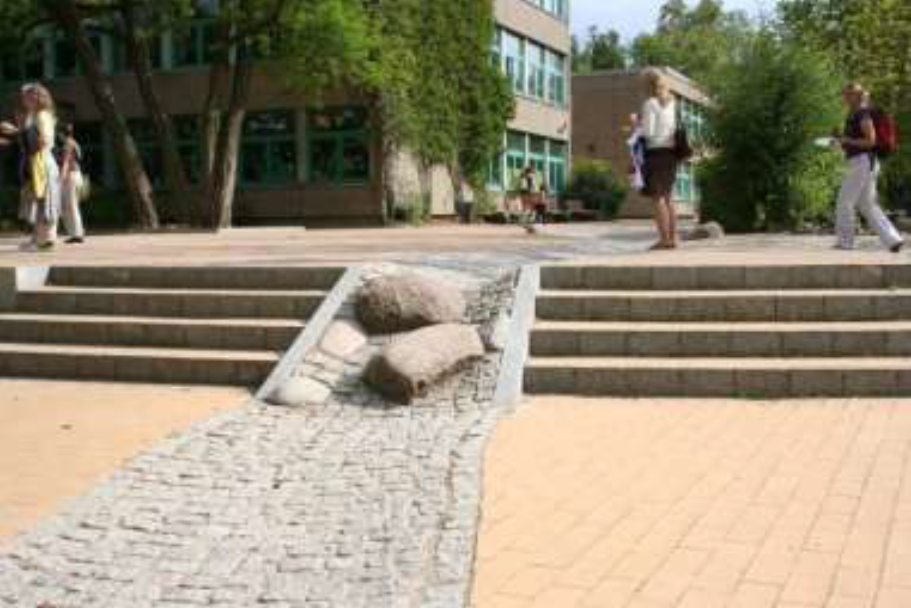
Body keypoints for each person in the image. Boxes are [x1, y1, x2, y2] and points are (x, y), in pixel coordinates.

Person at [833, 83, 903, 253]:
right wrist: (841, 142)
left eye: (848, 94)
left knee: (845, 201)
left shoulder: (863, 114)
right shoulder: (855, 114)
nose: (844, 97)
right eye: (844, 94)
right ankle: (893, 239)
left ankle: (846, 242)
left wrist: (846, 140)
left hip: (862, 162)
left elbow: (871, 141)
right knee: (867, 205)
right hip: (863, 162)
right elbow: (855, 141)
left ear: (857, 96)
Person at [0, 84, 61, 251]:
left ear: (37, 97)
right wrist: (11, 138)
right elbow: (28, 140)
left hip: (42, 161)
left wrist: (15, 132)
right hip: (36, 161)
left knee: (45, 201)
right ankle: (38, 239)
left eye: (28, 96)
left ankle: (45, 241)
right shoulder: (34, 115)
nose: (24, 100)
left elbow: (43, 140)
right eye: (24, 97)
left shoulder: (42, 115)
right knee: (39, 201)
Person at [640, 69, 680, 250]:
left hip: (655, 153)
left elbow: (648, 133)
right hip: (671, 153)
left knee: (658, 198)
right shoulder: (672, 102)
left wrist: (636, 124)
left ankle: (663, 239)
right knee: (669, 197)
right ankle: (673, 238)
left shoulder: (650, 103)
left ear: (648, 85)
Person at [58, 123, 87, 244]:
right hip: (76, 175)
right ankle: (76, 233)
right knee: (71, 206)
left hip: (70, 176)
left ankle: (77, 234)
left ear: (61, 134)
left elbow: (66, 161)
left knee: (70, 206)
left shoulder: (68, 144)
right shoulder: (74, 142)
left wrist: (61, 178)